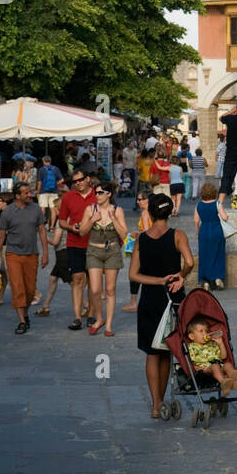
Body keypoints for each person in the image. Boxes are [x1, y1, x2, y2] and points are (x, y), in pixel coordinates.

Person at [129, 193, 193, 419]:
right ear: (169, 212)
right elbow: (190, 262)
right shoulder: (178, 235)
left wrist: (157, 280)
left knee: (150, 351)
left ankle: (156, 405)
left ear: (150, 212)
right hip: (172, 297)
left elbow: (133, 275)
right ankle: (161, 400)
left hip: (150, 297)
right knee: (166, 351)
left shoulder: (142, 239)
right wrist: (179, 275)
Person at [0, 181, 49, 334]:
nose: (29, 194)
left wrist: (45, 253)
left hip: (31, 254)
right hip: (13, 254)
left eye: (29, 192)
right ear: (17, 196)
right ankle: (22, 321)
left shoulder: (36, 209)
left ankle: (25, 314)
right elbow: (1, 235)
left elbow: (42, 231)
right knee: (18, 288)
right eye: (25, 193)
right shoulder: (7, 212)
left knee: (30, 290)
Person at [80, 180, 128, 336]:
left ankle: (108, 325)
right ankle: (99, 318)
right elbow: (82, 232)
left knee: (110, 290)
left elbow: (124, 235)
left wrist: (113, 219)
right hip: (94, 250)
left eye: (100, 192)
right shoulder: (90, 209)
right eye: (96, 192)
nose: (97, 195)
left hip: (112, 251)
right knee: (95, 290)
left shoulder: (117, 210)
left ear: (109, 194)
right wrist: (92, 220)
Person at [58, 168, 98, 330]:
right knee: (77, 279)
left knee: (93, 280)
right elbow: (61, 221)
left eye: (80, 180)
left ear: (88, 179)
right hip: (74, 242)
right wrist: (71, 227)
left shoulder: (98, 195)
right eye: (75, 182)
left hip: (95, 243)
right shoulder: (68, 197)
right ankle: (77, 317)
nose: (78, 183)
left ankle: (90, 315)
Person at [185, 316, 237, 394]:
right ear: (192, 336)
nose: (204, 334)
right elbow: (191, 360)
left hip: (219, 366)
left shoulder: (212, 344)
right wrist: (195, 368)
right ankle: (224, 382)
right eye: (201, 331)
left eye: (206, 331)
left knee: (227, 365)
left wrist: (221, 344)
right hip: (205, 370)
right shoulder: (192, 346)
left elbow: (223, 357)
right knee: (215, 366)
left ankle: (233, 377)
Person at [195, 182, 227, 291]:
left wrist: (197, 232)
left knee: (204, 256)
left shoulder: (198, 205)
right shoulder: (217, 204)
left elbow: (196, 220)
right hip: (216, 230)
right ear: (214, 193)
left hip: (204, 230)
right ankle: (218, 278)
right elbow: (224, 217)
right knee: (218, 254)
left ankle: (206, 282)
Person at [37, 156, 63, 230]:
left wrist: (38, 192)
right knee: (53, 209)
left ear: (44, 161)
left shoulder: (41, 170)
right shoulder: (56, 169)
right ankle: (52, 227)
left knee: (43, 209)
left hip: (43, 191)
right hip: (54, 191)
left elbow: (39, 182)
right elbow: (62, 180)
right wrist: (56, 184)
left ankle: (41, 226)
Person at [168, 152, 185, 217]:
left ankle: (172, 210)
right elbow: (182, 176)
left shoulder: (169, 168)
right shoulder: (180, 168)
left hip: (172, 184)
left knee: (173, 199)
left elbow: (169, 177)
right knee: (179, 199)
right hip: (180, 183)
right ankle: (177, 211)